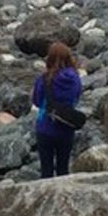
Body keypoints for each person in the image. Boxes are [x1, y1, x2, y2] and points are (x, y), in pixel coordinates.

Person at [31, 42, 82, 179]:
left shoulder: (43, 79)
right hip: (66, 126)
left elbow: (36, 101)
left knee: (46, 170)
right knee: (63, 168)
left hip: (45, 127)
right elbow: (77, 97)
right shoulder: (75, 79)